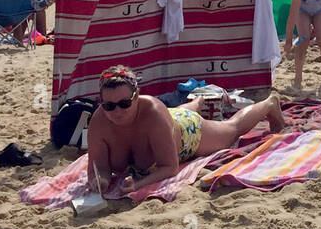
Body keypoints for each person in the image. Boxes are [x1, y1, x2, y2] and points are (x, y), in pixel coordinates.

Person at [87, 65, 285, 195]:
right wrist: (100, 181)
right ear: (101, 103)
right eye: (109, 106)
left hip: (187, 132)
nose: (117, 111)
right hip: (169, 121)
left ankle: (269, 104)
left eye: (124, 103)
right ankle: (198, 100)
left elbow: (170, 167)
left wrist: (138, 185)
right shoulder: (99, 122)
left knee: (231, 129)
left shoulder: (153, 113)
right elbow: (99, 168)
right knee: (172, 115)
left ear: (137, 96)